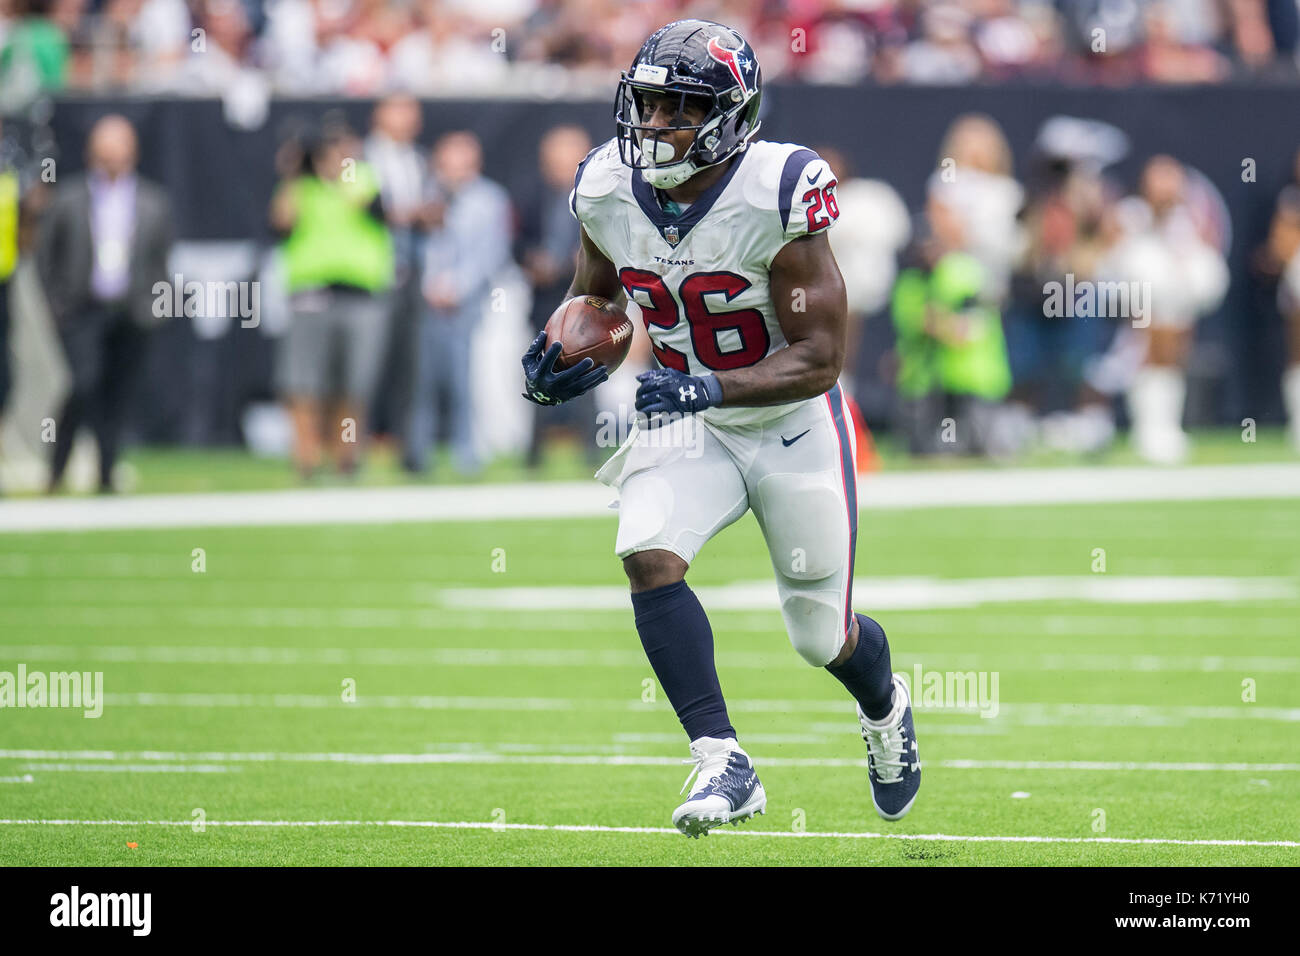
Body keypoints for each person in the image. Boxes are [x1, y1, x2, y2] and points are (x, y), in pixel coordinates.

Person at [521, 19, 920, 838]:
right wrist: (566, 346)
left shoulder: (777, 190)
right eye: (649, 105)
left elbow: (819, 358)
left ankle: (885, 707)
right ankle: (722, 758)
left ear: (730, 116)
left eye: (678, 109)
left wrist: (708, 386)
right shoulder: (604, 185)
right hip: (686, 412)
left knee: (821, 634)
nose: (655, 126)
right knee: (647, 551)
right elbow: (600, 295)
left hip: (787, 418)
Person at [36, 114, 173, 493]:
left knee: (117, 393)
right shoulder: (69, 198)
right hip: (82, 310)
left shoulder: (152, 201)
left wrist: (152, 309)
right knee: (84, 383)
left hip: (130, 310)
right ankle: (56, 468)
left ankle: (107, 473)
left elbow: (160, 260)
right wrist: (57, 306)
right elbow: (47, 257)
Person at [270, 118, 394, 479]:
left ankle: (346, 457)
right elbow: (280, 223)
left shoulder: (364, 179)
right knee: (303, 383)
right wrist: (292, 173)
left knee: (353, 383)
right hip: (311, 293)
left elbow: (373, 210)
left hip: (361, 294)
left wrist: (343, 171)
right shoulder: (302, 188)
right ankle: (306, 458)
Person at [404, 131, 511, 476]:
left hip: (467, 305)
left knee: (466, 380)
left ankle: (467, 453)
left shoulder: (491, 200)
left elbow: (491, 253)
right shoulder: (425, 195)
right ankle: (418, 454)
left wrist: (457, 287)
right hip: (426, 301)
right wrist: (429, 285)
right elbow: (417, 246)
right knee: (421, 380)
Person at [518, 123, 597, 469]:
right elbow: (517, 241)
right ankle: (535, 452)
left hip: (585, 301)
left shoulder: (597, 198)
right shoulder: (531, 196)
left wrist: (569, 264)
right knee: (539, 371)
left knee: (589, 371)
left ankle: (591, 446)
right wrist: (531, 261)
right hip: (545, 299)